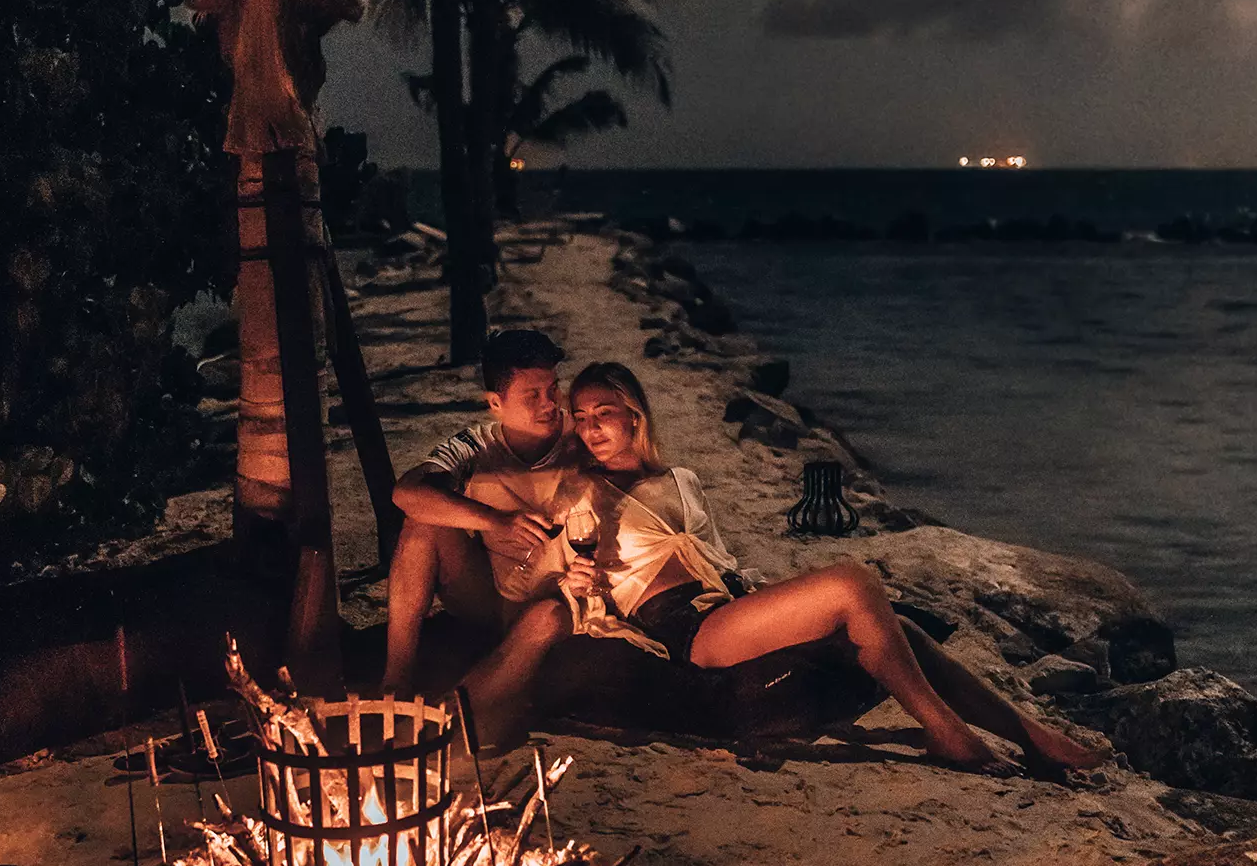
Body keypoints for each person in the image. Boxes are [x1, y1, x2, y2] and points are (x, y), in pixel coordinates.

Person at [474, 360, 1110, 778]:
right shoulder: (578, 492)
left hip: (728, 608)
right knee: (851, 579)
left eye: (602, 414)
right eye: (578, 418)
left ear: (633, 414)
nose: (589, 429)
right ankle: (949, 735)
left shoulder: (681, 480)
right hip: (685, 631)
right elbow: (516, 551)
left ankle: (1030, 735)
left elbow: (720, 563)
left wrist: (770, 603)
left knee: (904, 632)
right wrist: (565, 585)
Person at [382, 329, 581, 695]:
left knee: (548, 618)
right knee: (422, 521)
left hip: (563, 594)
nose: (549, 404)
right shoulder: (477, 446)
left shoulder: (581, 435)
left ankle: (471, 702)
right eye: (532, 395)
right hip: (491, 593)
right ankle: (396, 682)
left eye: (553, 388)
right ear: (495, 403)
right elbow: (407, 492)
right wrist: (495, 521)